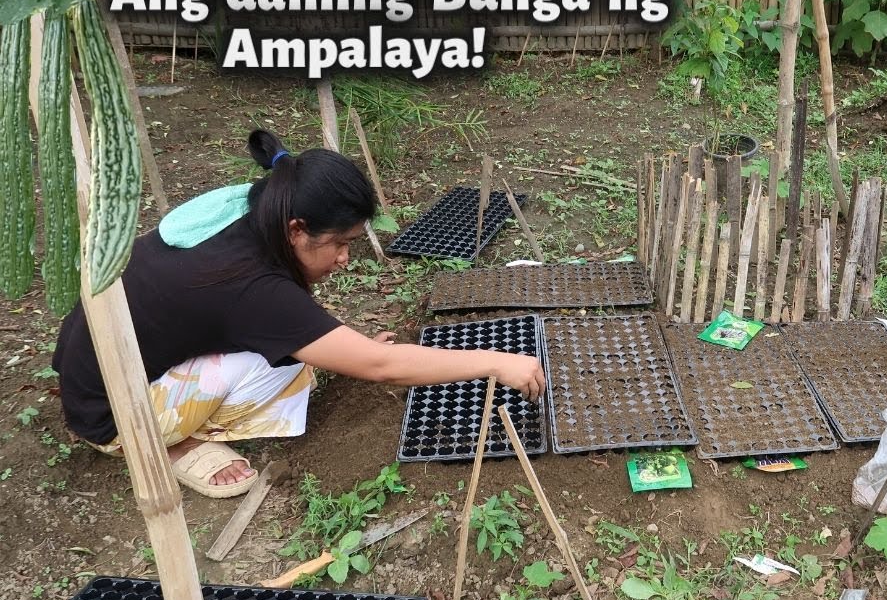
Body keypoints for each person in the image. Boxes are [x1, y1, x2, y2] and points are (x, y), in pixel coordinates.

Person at [53, 130, 545, 498]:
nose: (345, 259)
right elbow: (381, 366)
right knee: (291, 369)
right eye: (339, 244)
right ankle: (166, 445)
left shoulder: (251, 202)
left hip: (90, 351)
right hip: (115, 409)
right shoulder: (249, 289)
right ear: (296, 229)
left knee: (294, 347)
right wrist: (497, 363)